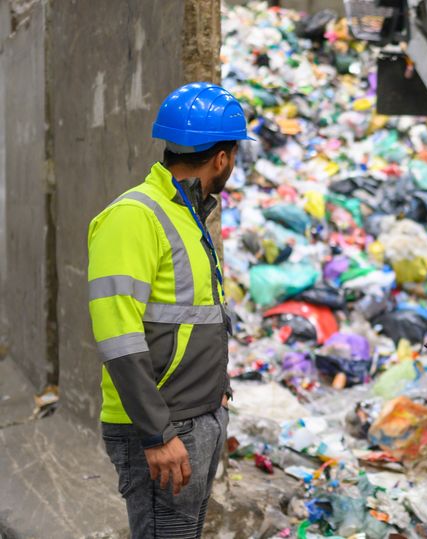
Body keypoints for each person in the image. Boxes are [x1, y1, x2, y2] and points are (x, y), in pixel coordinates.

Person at [87, 82, 253, 537]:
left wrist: (215, 396)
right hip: (163, 427)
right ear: (222, 158)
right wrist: (158, 434)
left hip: (195, 419)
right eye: (234, 156)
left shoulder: (189, 215)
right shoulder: (135, 216)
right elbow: (117, 335)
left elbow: (193, 318)